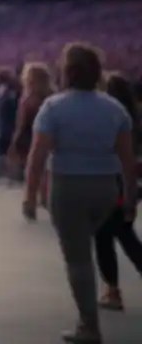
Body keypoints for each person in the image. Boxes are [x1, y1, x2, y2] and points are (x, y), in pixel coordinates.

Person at [25, 43, 135, 343]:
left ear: (67, 71)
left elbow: (37, 155)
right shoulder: (115, 108)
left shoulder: (54, 107)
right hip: (106, 187)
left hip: (68, 185)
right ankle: (99, 301)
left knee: (78, 258)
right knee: (93, 242)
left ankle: (89, 325)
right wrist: (130, 197)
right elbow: (127, 159)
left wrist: (30, 194)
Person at [96, 73, 142, 311]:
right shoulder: (134, 118)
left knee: (107, 236)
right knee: (121, 233)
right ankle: (111, 289)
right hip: (127, 182)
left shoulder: (110, 119)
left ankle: (112, 290)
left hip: (112, 181)